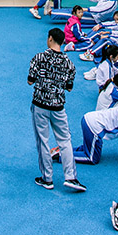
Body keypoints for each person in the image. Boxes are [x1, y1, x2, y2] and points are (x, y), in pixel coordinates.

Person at [28, 27, 86, 193]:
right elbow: (69, 87)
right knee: (65, 141)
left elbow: (30, 81)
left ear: (50, 39)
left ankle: (47, 178)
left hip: (40, 105)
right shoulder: (69, 64)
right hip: (58, 107)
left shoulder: (38, 58)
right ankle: (70, 177)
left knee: (43, 140)